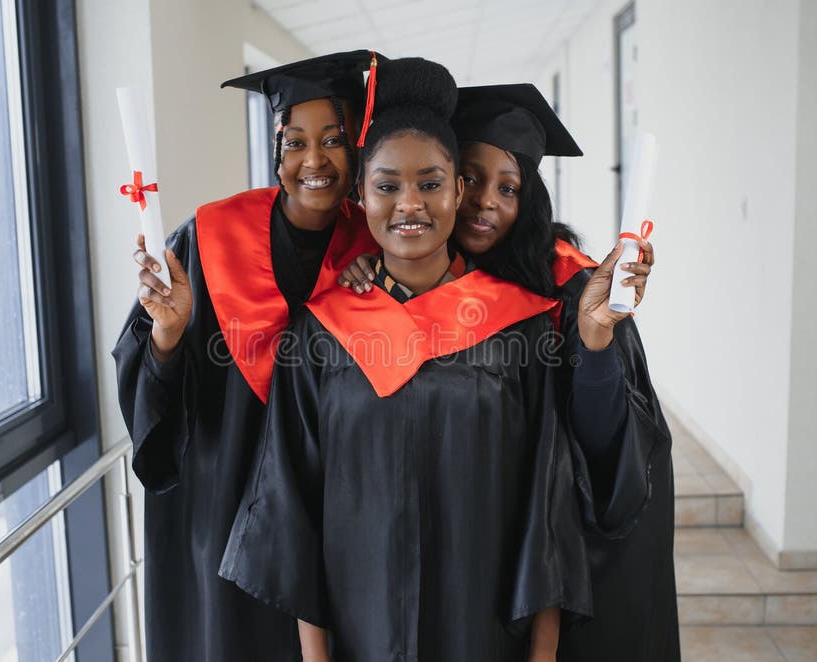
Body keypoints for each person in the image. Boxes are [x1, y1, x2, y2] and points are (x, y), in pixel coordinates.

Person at [220, 58, 592, 662]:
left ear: (458, 191)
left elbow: (546, 507)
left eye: (431, 183)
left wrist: (543, 655)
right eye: (388, 186)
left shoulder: (520, 327)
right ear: (361, 195)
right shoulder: (320, 334)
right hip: (361, 634)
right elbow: (291, 504)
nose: (409, 205)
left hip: (482, 633)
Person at [341, 83, 679, 661]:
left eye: (508, 187)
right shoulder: (432, 275)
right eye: (471, 178)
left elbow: (606, 440)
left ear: (530, 200)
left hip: (570, 539)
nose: (484, 202)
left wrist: (595, 341)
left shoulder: (569, 285)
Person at [112, 50, 382, 662]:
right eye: (296, 142)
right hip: (226, 513)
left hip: (338, 519)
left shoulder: (379, 245)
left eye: (334, 140)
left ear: (359, 148)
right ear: (277, 150)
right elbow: (151, 395)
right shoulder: (206, 237)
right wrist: (168, 334)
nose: (313, 161)